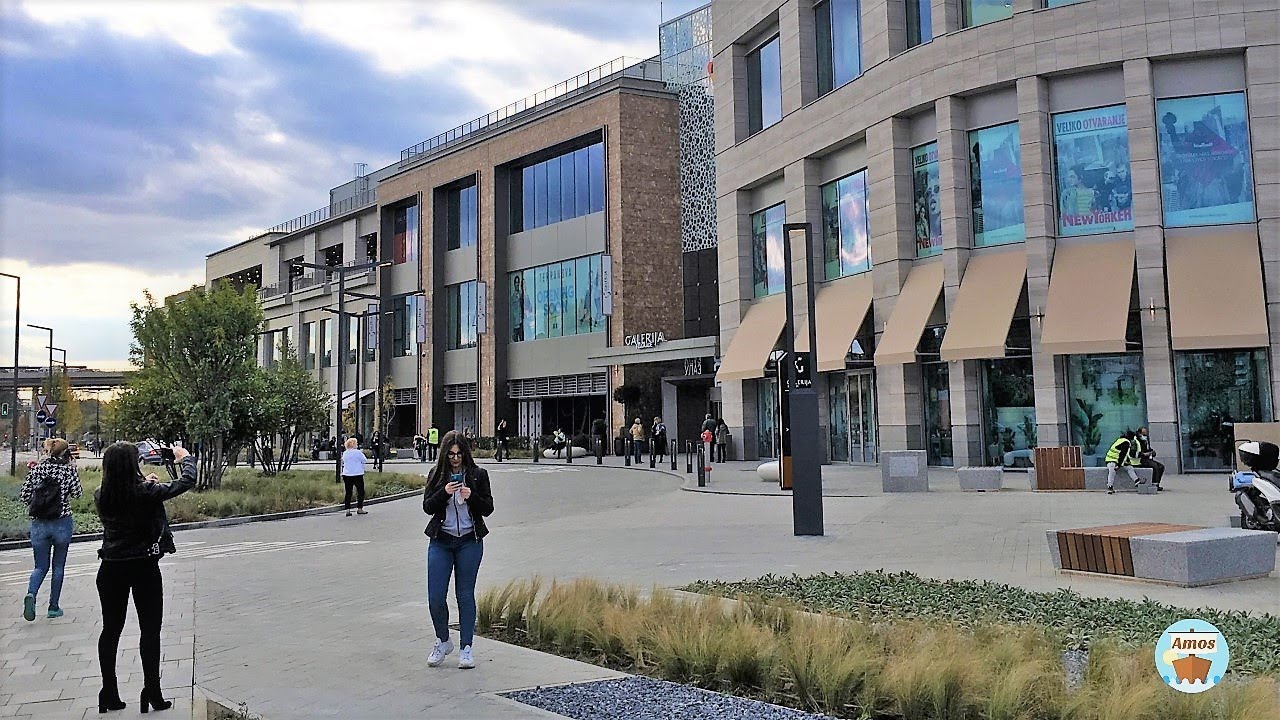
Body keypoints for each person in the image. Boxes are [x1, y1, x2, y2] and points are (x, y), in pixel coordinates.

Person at [93, 441, 196, 714]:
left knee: (110, 630)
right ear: (132, 465)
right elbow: (186, 482)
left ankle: (109, 692)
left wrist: (146, 484)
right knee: (150, 631)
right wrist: (184, 457)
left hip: (111, 568)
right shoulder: (145, 492)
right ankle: (152, 690)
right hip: (144, 568)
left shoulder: (101, 493)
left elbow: (128, 495)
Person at [423, 431, 494, 670]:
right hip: (441, 540)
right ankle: (443, 640)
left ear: (465, 453)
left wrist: (471, 496)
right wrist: (444, 493)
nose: (455, 459)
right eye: (451, 454)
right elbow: (427, 506)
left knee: (464, 594)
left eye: (459, 454)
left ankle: (466, 647)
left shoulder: (478, 475)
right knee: (435, 597)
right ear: (444, 454)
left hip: (469, 541)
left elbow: (488, 508)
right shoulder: (436, 474)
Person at [20, 438, 83, 622]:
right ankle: (53, 607)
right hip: (62, 522)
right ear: (65, 453)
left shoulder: (37, 469)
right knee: (58, 566)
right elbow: (78, 493)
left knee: (40, 566)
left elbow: (24, 495)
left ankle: (31, 594)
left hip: (39, 523)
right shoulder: (68, 470)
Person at [1104, 429, 1139, 494]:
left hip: (1114, 459)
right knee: (1112, 471)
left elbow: (1125, 455)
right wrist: (1119, 465)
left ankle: (1137, 481)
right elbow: (1122, 455)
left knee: (1129, 468)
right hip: (1111, 460)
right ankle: (1110, 486)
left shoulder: (1121, 440)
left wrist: (1126, 462)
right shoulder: (1126, 443)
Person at [341, 438, 368, 516]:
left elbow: (343, 461)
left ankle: (347, 510)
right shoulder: (358, 452)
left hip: (347, 474)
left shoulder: (345, 453)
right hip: (357, 474)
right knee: (360, 491)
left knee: (348, 492)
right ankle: (360, 508)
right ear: (354, 444)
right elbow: (364, 460)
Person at [1135, 427, 1165, 491]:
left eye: (1146, 434)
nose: (1145, 435)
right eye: (1143, 434)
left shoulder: (1145, 441)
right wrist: (1145, 454)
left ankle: (1157, 483)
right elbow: (1136, 453)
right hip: (1140, 460)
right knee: (1155, 466)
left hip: (1147, 459)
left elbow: (1148, 449)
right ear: (1139, 434)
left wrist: (1152, 452)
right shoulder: (1137, 441)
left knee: (1161, 466)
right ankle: (1154, 484)